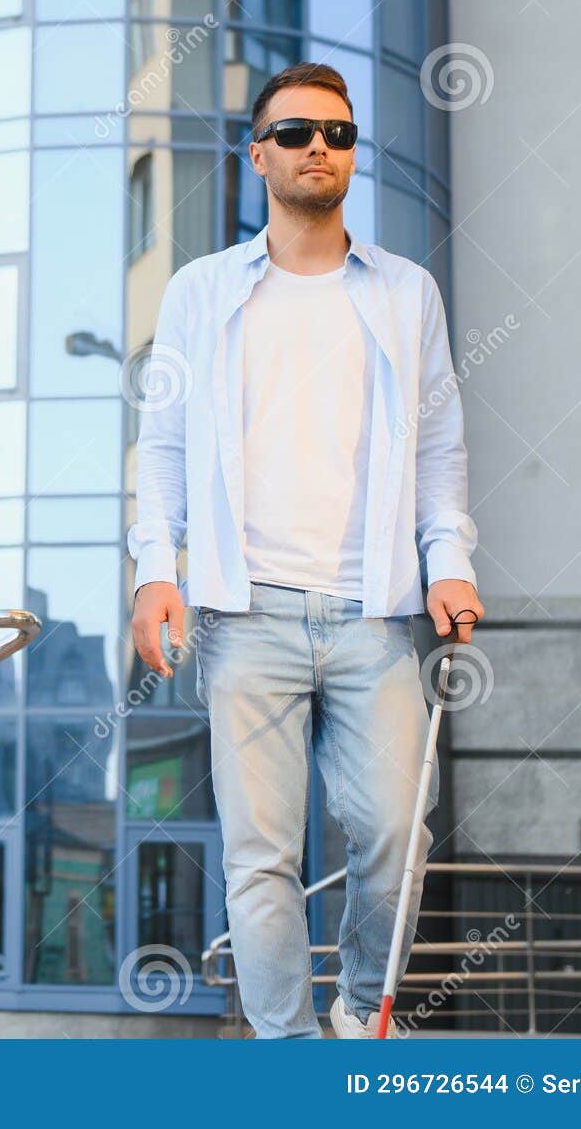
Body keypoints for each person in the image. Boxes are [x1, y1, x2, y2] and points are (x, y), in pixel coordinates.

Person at [127, 62, 482, 1038]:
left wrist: (448, 557)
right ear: (258, 155)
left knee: (394, 835)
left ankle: (363, 1010)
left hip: (377, 613)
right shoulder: (202, 293)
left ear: (351, 153)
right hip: (244, 614)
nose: (316, 146)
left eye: (334, 132)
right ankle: (285, 1056)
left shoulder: (406, 293)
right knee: (260, 855)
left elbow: (442, 447)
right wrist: (156, 571)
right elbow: (161, 447)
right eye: (293, 134)